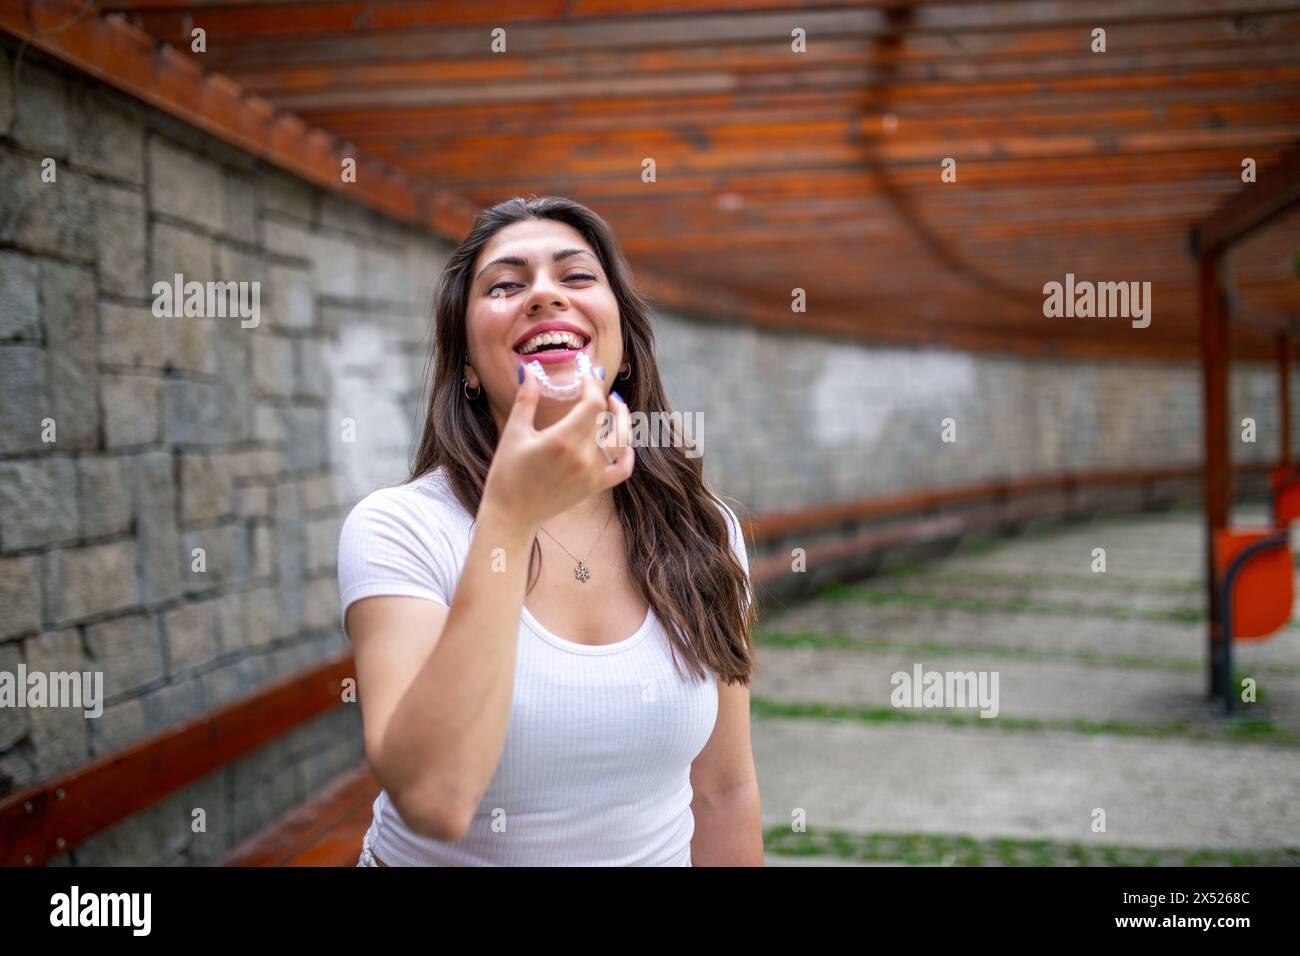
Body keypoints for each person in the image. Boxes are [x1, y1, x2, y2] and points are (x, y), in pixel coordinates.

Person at [338, 195, 761, 866]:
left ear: (620, 345)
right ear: (470, 368)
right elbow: (434, 799)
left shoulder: (703, 529)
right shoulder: (399, 529)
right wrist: (510, 517)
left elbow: (724, 791)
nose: (542, 295)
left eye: (576, 276)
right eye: (505, 285)